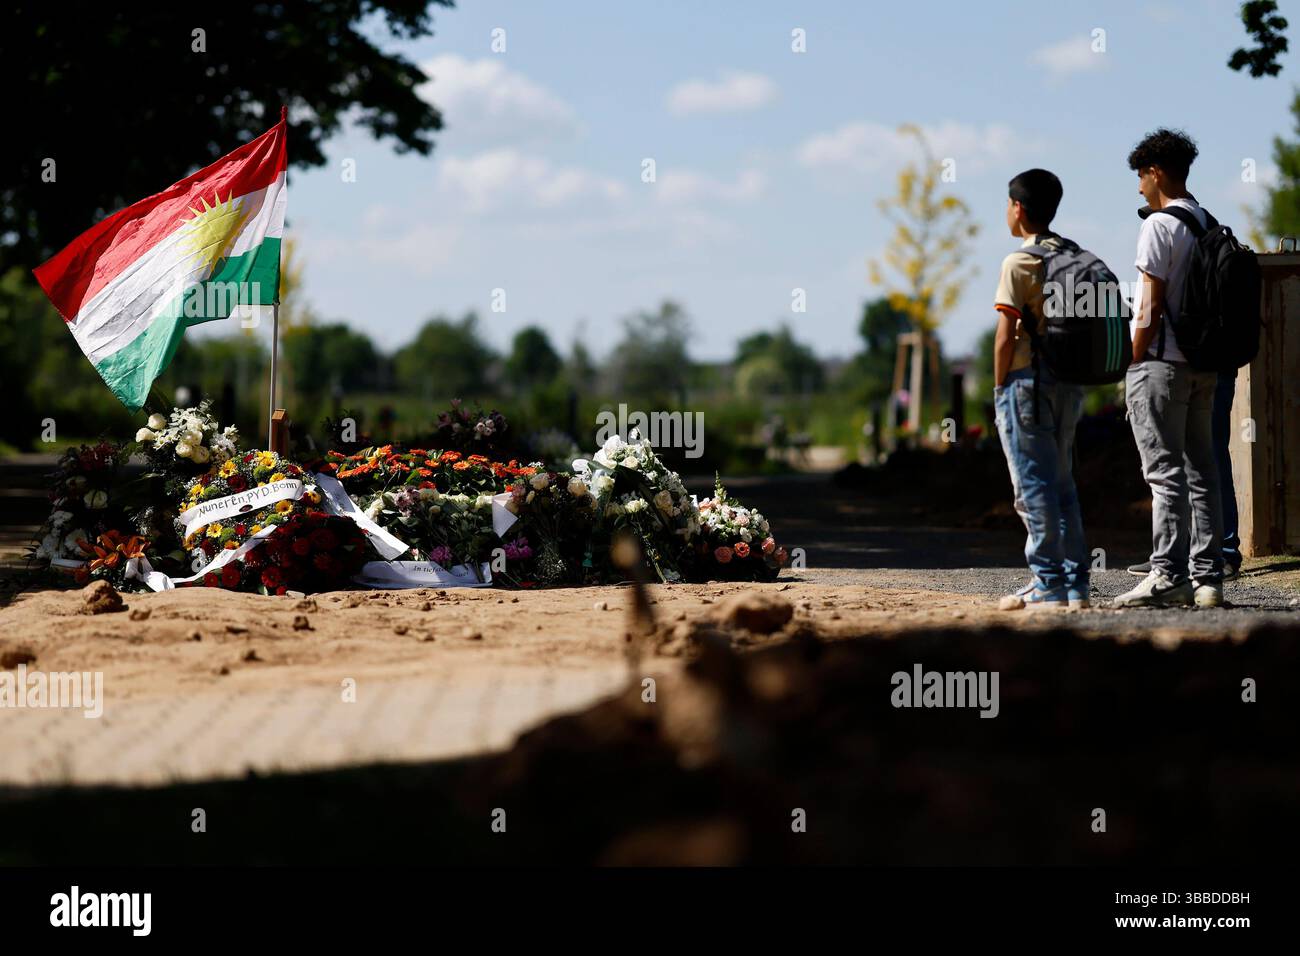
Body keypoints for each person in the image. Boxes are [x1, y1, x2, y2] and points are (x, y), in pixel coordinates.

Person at [1115, 129, 1224, 608]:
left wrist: (1132, 360)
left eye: (1141, 176)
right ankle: (1208, 579)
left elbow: (1148, 305)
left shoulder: (1157, 226)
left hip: (1162, 364)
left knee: (1163, 475)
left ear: (1155, 171)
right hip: (1205, 367)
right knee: (1203, 471)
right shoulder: (1206, 221)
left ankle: (1166, 573)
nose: (1139, 187)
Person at [993, 169, 1088, 610]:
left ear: (1018, 208)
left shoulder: (1020, 262)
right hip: (1069, 384)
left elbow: (1005, 334)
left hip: (1026, 383)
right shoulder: (1076, 256)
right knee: (1063, 483)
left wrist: (999, 387)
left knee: (1032, 486)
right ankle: (1074, 585)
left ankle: (1048, 584)